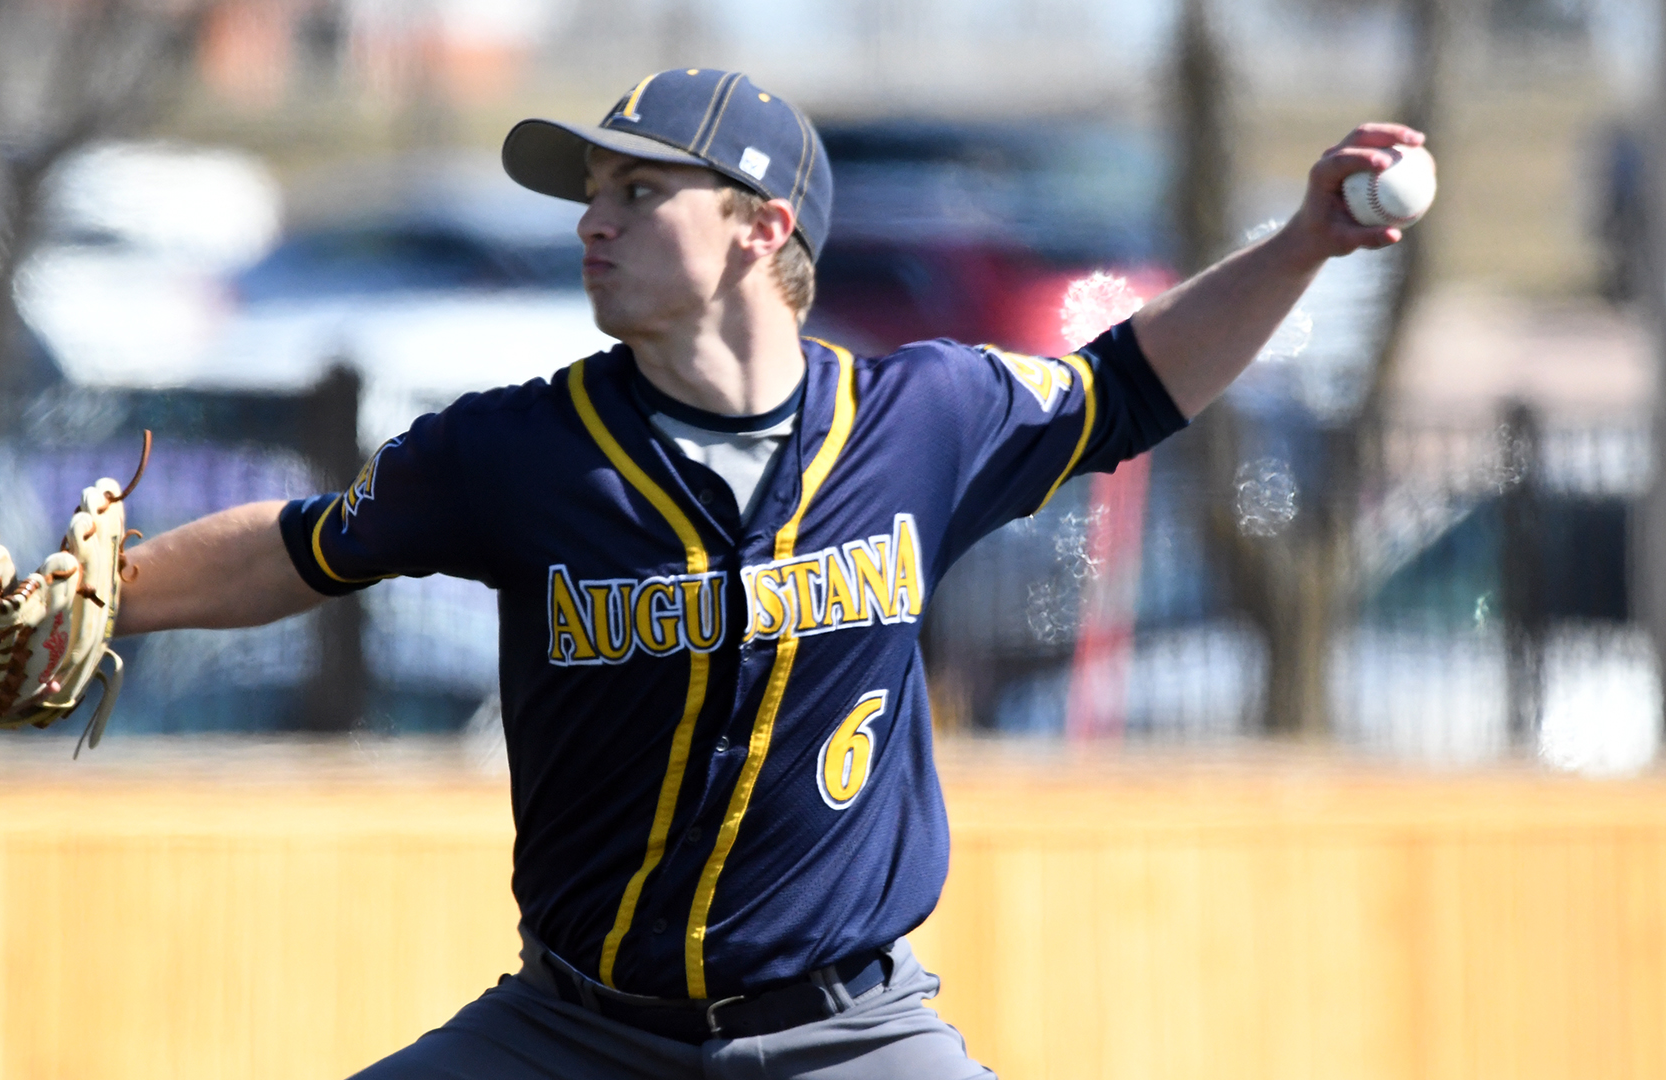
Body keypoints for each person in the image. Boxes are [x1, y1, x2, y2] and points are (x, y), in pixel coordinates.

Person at [115, 68, 1423, 1079]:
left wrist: (1305, 239)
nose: (594, 220)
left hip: (846, 1037)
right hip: (571, 1037)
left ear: (761, 227)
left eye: (639, 192)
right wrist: (108, 593)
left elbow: (1127, 389)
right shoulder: (513, 452)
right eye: (593, 193)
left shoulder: (923, 421)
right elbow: (303, 548)